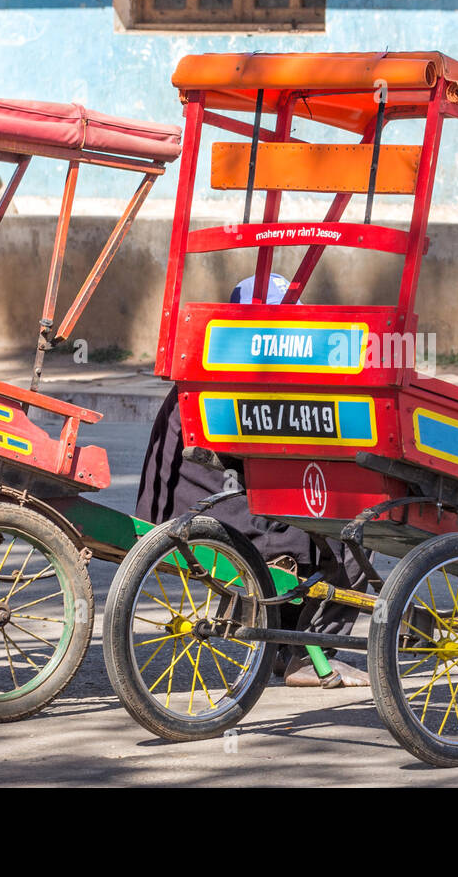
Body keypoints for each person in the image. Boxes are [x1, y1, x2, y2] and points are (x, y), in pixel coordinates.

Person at [135, 273, 369, 688]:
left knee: (305, 516)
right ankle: (312, 656)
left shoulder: (210, 362)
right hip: (216, 517)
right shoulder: (250, 378)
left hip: (177, 508)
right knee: (347, 529)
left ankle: (286, 648)